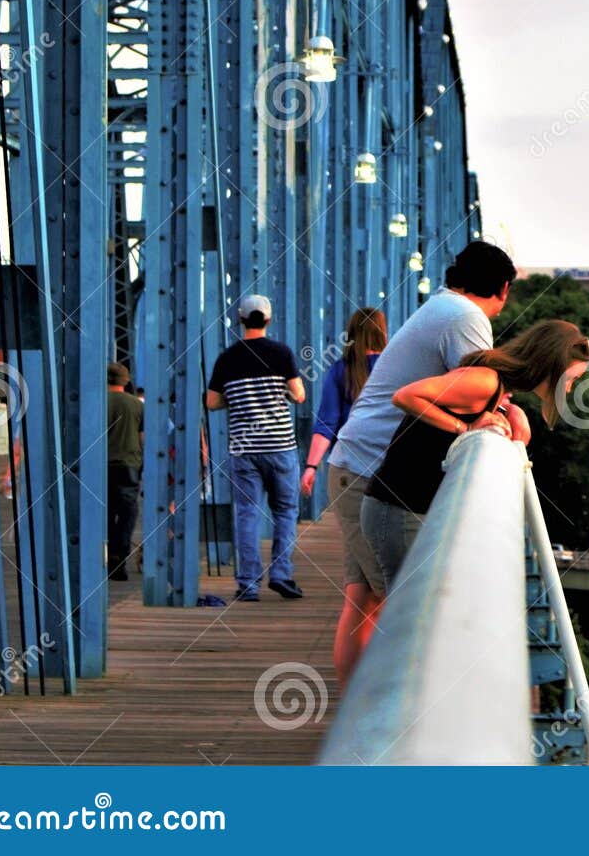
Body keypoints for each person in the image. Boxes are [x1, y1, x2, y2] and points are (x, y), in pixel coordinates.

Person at [325, 239, 515, 685]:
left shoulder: (441, 308)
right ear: (503, 289)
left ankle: (355, 712)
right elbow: (474, 391)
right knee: (399, 604)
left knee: (363, 599)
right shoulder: (467, 318)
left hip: (354, 464)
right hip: (371, 472)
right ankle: (379, 719)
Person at [360, 319, 589, 592]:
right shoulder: (485, 381)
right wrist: (466, 428)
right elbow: (405, 396)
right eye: (571, 379)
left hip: (406, 508)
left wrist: (511, 413)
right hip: (397, 511)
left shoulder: (497, 387)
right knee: (408, 619)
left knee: (415, 615)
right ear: (550, 365)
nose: (569, 388)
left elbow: (466, 405)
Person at [206, 293, 306, 602]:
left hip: (244, 448)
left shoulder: (227, 358)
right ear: (268, 318)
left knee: (248, 513)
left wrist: (234, 399)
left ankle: (248, 584)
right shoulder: (282, 353)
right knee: (286, 510)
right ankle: (281, 574)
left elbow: (211, 402)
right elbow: (299, 395)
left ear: (240, 319)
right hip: (280, 446)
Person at [302, 308, 388, 499]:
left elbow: (327, 423)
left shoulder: (341, 370)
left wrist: (311, 466)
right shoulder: (394, 368)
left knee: (355, 528)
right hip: (387, 466)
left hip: (349, 466)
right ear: (382, 332)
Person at [105, 362, 144, 581]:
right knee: (128, 513)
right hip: (129, 465)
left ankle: (108, 555)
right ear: (126, 381)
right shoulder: (137, 405)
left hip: (102, 466)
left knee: (107, 513)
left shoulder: (96, 403)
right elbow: (143, 438)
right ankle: (119, 559)